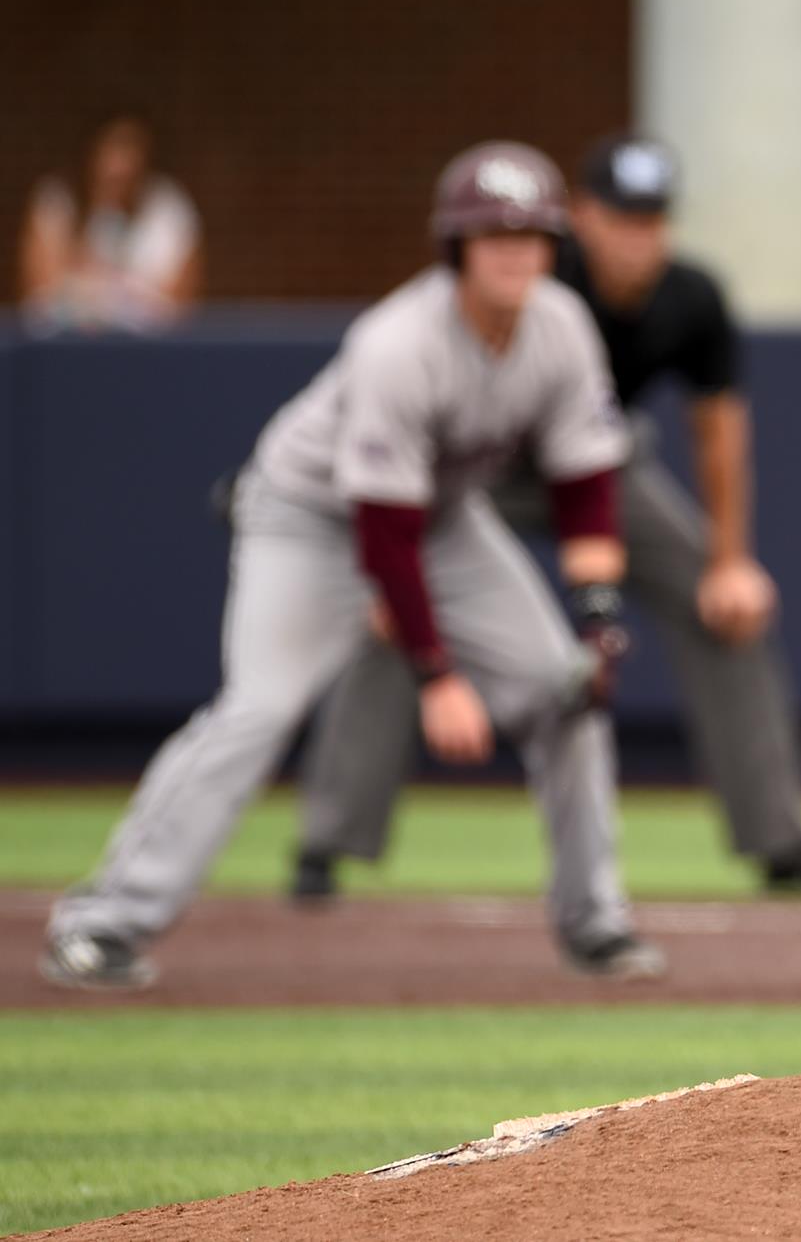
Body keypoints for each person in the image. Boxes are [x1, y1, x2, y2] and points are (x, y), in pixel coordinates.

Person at [43, 143, 663, 989]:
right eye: (495, 235)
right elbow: (382, 533)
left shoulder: (561, 325)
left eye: (531, 234)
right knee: (259, 709)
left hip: (440, 518)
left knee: (567, 688)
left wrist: (597, 618)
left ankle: (597, 922)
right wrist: (437, 673)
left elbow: (587, 485)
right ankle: (101, 921)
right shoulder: (398, 341)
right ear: (457, 248)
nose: (516, 251)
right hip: (307, 515)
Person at [292, 137, 801, 898]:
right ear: (584, 217)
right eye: (624, 217)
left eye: (655, 218)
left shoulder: (690, 296)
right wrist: (395, 554)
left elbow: (720, 434)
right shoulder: (531, 269)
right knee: (397, 609)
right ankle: (328, 839)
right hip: (477, 467)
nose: (641, 236)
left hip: (596, 469)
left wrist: (733, 558)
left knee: (725, 601)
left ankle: (780, 836)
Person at [18, 112, 202, 331]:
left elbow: (181, 307)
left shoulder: (168, 206)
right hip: (68, 346)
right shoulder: (57, 200)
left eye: (130, 149)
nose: (120, 166)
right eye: (111, 149)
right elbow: (37, 296)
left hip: (144, 352)